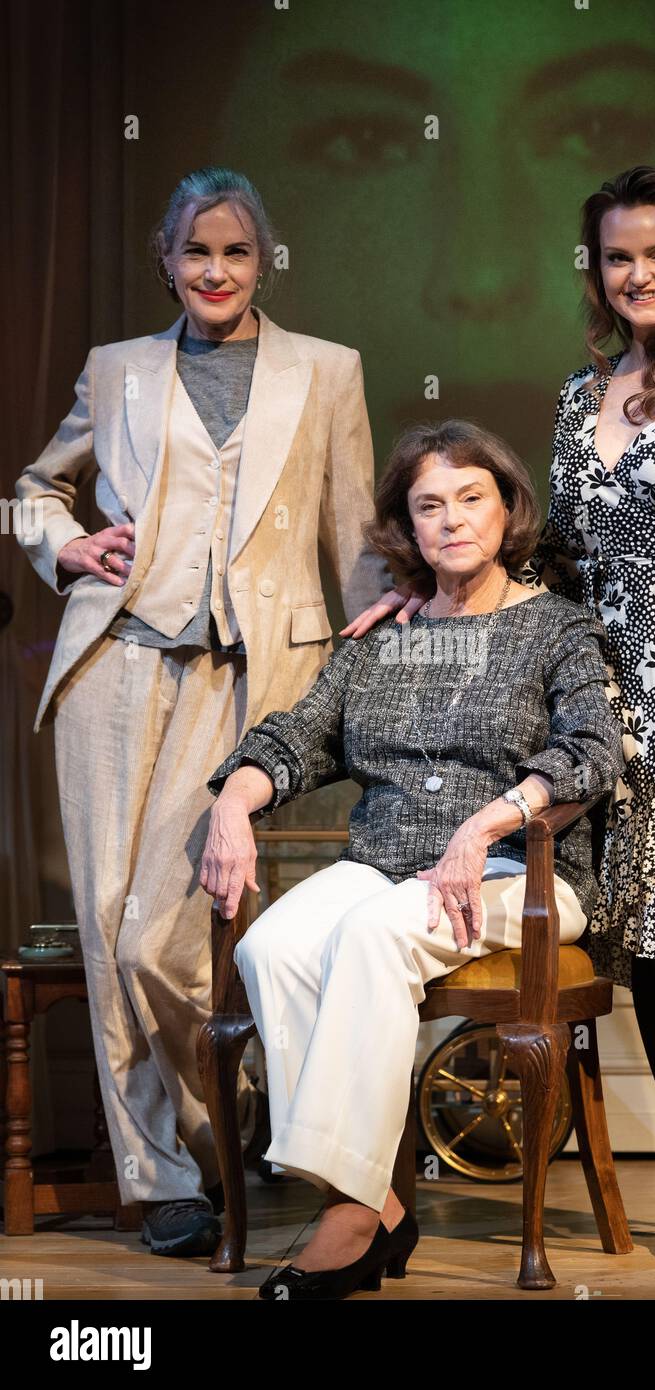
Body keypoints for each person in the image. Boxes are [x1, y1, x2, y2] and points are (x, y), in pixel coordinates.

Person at [342, 166, 655, 1262]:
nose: (639, 274)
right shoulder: (581, 397)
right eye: (619, 256)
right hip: (613, 712)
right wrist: (423, 590)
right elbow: (554, 555)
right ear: (598, 269)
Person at [14, 165, 392, 1258]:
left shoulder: (325, 371)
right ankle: (167, 1176)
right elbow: (39, 486)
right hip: (115, 665)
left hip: (254, 677)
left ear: (261, 259)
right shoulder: (118, 369)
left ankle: (225, 1122)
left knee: (160, 936)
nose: (214, 271)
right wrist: (63, 543)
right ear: (166, 261)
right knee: (106, 924)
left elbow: (356, 532)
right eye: (194, 252)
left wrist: (371, 672)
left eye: (233, 251)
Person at [202, 419, 626, 1299]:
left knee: (372, 935)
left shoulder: (556, 627)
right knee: (268, 946)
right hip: (386, 862)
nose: (451, 520)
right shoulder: (380, 640)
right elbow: (298, 736)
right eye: (428, 506)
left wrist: (483, 826)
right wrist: (233, 804)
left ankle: (353, 1224)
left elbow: (594, 750)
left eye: (472, 498)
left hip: (523, 869)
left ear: (507, 510)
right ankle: (377, 1201)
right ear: (408, 527)